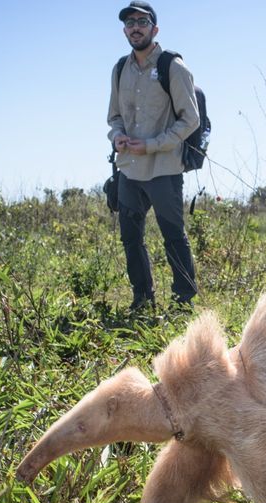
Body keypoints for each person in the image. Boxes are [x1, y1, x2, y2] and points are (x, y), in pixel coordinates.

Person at [108, 1, 200, 311]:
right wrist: (116, 135)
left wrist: (153, 144)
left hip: (163, 167)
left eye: (142, 21)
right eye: (130, 22)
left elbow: (191, 120)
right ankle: (142, 300)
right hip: (129, 170)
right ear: (124, 30)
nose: (135, 26)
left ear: (154, 29)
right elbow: (114, 116)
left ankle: (183, 303)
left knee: (173, 236)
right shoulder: (120, 69)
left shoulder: (173, 67)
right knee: (131, 239)